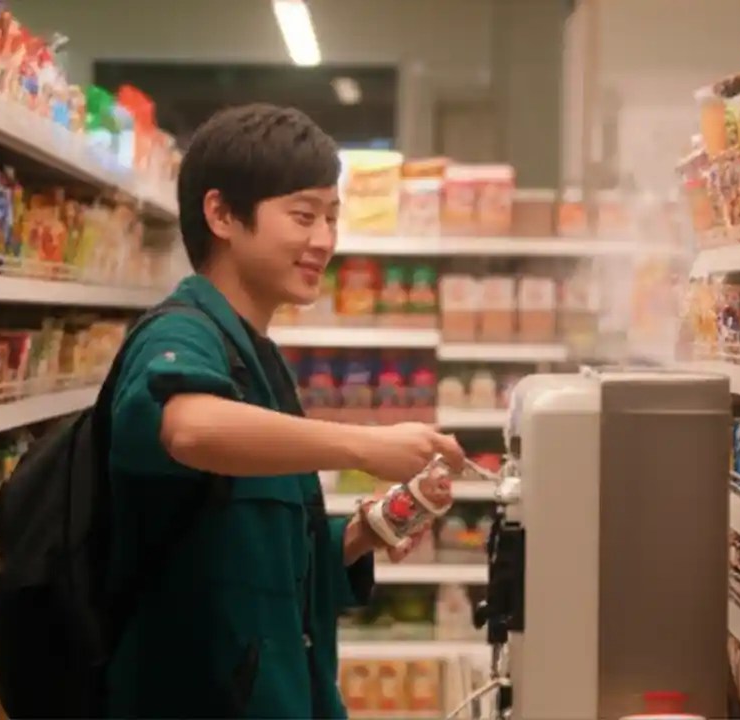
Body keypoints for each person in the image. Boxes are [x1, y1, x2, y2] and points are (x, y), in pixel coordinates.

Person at [104, 103, 464, 719]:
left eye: (331, 216)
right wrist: (365, 446)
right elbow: (188, 429)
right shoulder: (183, 337)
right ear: (221, 214)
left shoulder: (258, 359)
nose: (323, 240)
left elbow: (256, 553)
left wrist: (363, 532)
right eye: (302, 216)